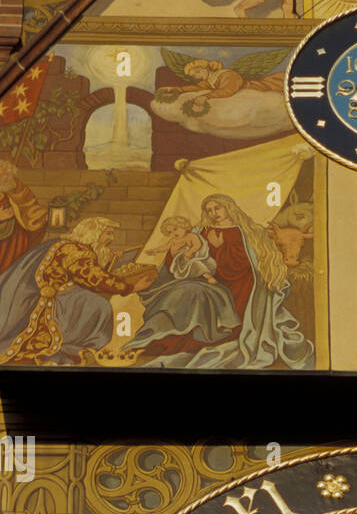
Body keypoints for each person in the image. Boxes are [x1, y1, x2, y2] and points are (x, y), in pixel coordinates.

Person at [135, 193, 313, 369]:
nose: (213, 213)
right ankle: (167, 340)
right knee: (180, 291)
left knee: (192, 292)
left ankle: (200, 340)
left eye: (217, 208)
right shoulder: (200, 230)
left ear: (228, 207)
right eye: (209, 210)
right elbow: (181, 258)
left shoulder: (246, 232)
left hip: (235, 286)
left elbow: (245, 266)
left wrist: (220, 249)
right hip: (202, 279)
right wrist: (174, 255)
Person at [0, 216, 155, 364]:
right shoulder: (76, 250)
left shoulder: (68, 244)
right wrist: (130, 287)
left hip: (60, 292)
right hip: (52, 301)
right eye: (108, 233)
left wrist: (110, 258)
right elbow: (94, 278)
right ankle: (80, 347)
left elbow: (89, 272)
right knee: (99, 305)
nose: (112, 238)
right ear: (94, 233)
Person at [0, 156, 47, 273]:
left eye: (6, 175)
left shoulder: (18, 188)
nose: (3, 178)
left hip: (17, 239)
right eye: (1, 175)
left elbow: (29, 204)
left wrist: (38, 214)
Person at [145, 216, 217, 282]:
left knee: (197, 264)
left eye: (175, 229)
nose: (173, 233)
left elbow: (198, 245)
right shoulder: (173, 240)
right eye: (170, 232)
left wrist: (190, 251)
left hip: (193, 258)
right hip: (181, 261)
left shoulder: (191, 236)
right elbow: (165, 247)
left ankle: (209, 277)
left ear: (184, 227)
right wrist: (155, 250)